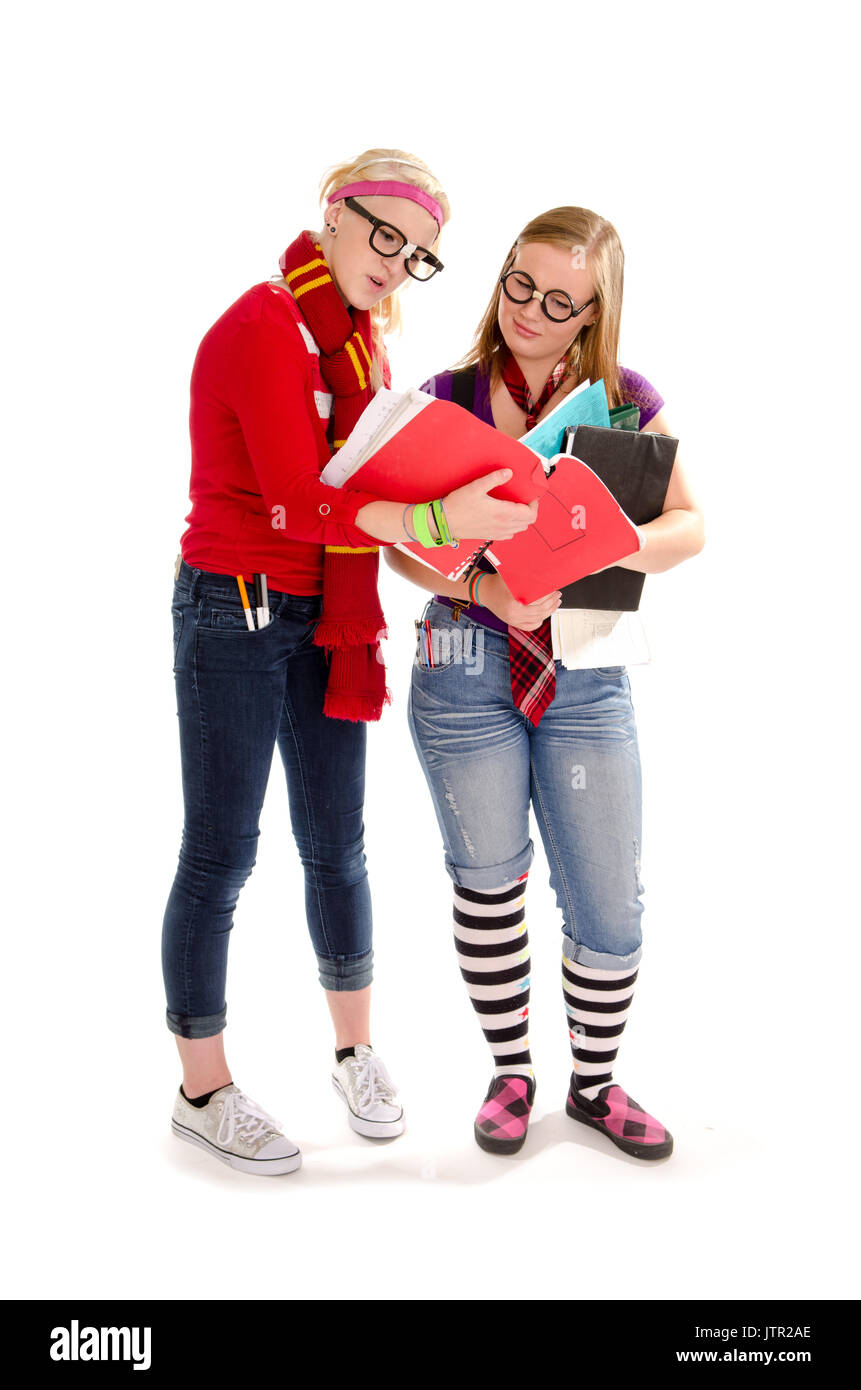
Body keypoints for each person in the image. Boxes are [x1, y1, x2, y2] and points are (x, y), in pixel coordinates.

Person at [164, 148, 536, 1177]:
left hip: (328, 614)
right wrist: (434, 511)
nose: (396, 261)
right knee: (222, 855)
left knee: (339, 844)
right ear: (334, 212)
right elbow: (296, 501)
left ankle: (354, 1051)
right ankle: (203, 1090)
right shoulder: (260, 328)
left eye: (417, 255)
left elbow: (364, 521)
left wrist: (473, 574)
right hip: (232, 610)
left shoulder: (363, 349)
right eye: (385, 235)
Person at [387, 206, 705, 1160]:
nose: (528, 309)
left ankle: (595, 1087)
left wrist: (606, 549)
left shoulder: (621, 401)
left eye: (557, 299)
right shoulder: (444, 396)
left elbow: (690, 526)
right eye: (518, 285)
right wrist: (482, 582)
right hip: (462, 664)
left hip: (586, 667)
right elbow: (399, 546)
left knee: (607, 898)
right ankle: (511, 1073)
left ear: (592, 311)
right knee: (486, 883)